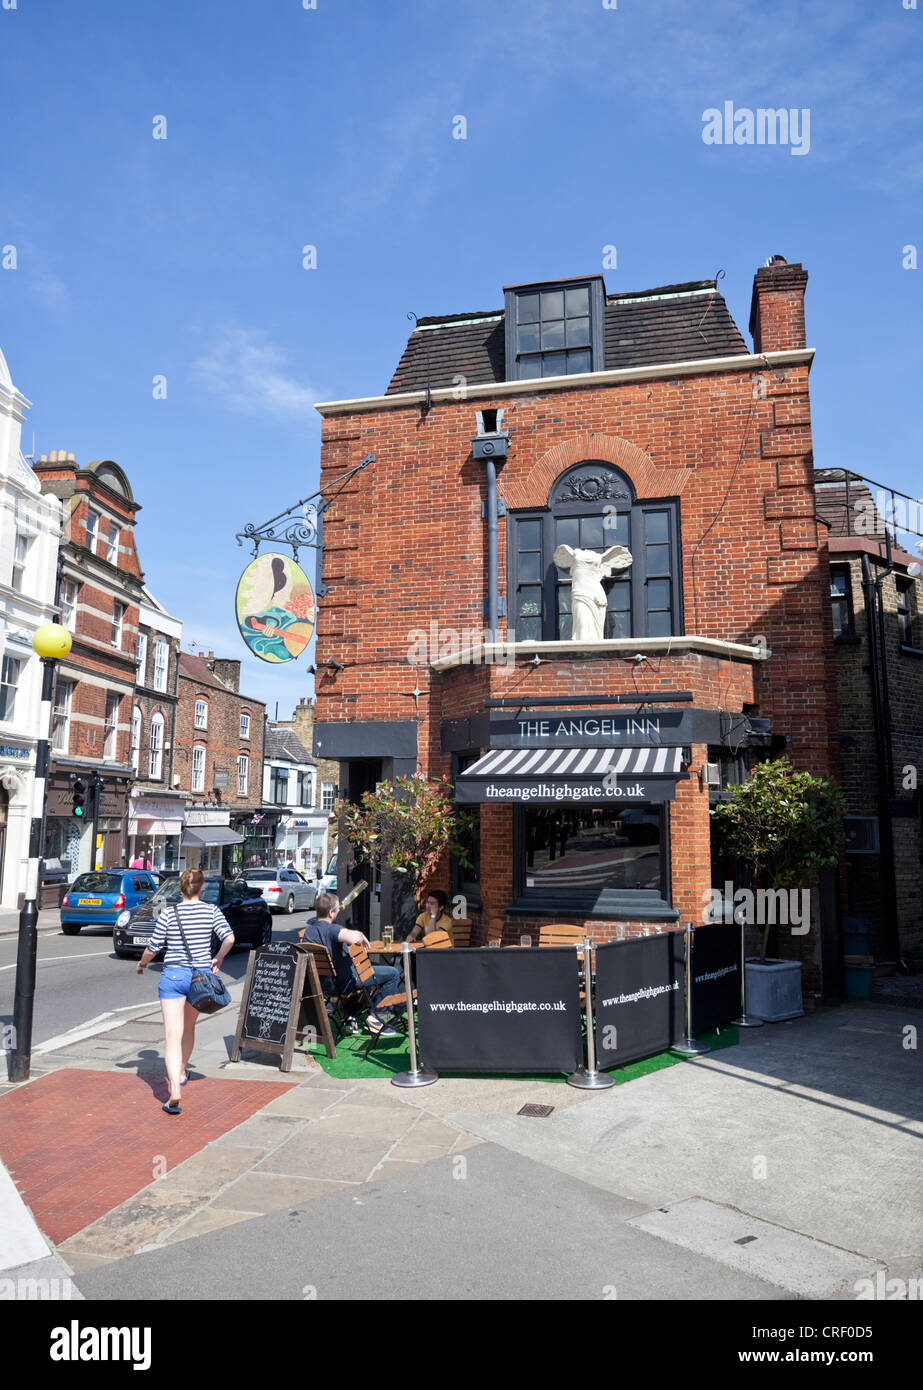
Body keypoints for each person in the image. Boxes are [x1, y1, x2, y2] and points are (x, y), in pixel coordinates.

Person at [136, 867, 235, 1114]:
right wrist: (218, 958)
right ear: (201, 889)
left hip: (172, 976)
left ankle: (174, 1093)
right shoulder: (212, 911)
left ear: (180, 889)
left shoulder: (169, 914)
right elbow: (230, 938)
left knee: (172, 1035)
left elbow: (154, 946)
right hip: (198, 979)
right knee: (189, 1028)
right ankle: (180, 1072)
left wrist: (142, 963)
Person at [299, 892, 401, 1036]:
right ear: (331, 912)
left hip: (322, 984)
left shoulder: (308, 931)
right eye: (337, 908)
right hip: (344, 983)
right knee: (393, 973)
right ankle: (378, 1019)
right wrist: (361, 935)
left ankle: (350, 1019)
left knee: (350, 968)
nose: (339, 910)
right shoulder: (332, 929)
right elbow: (352, 937)